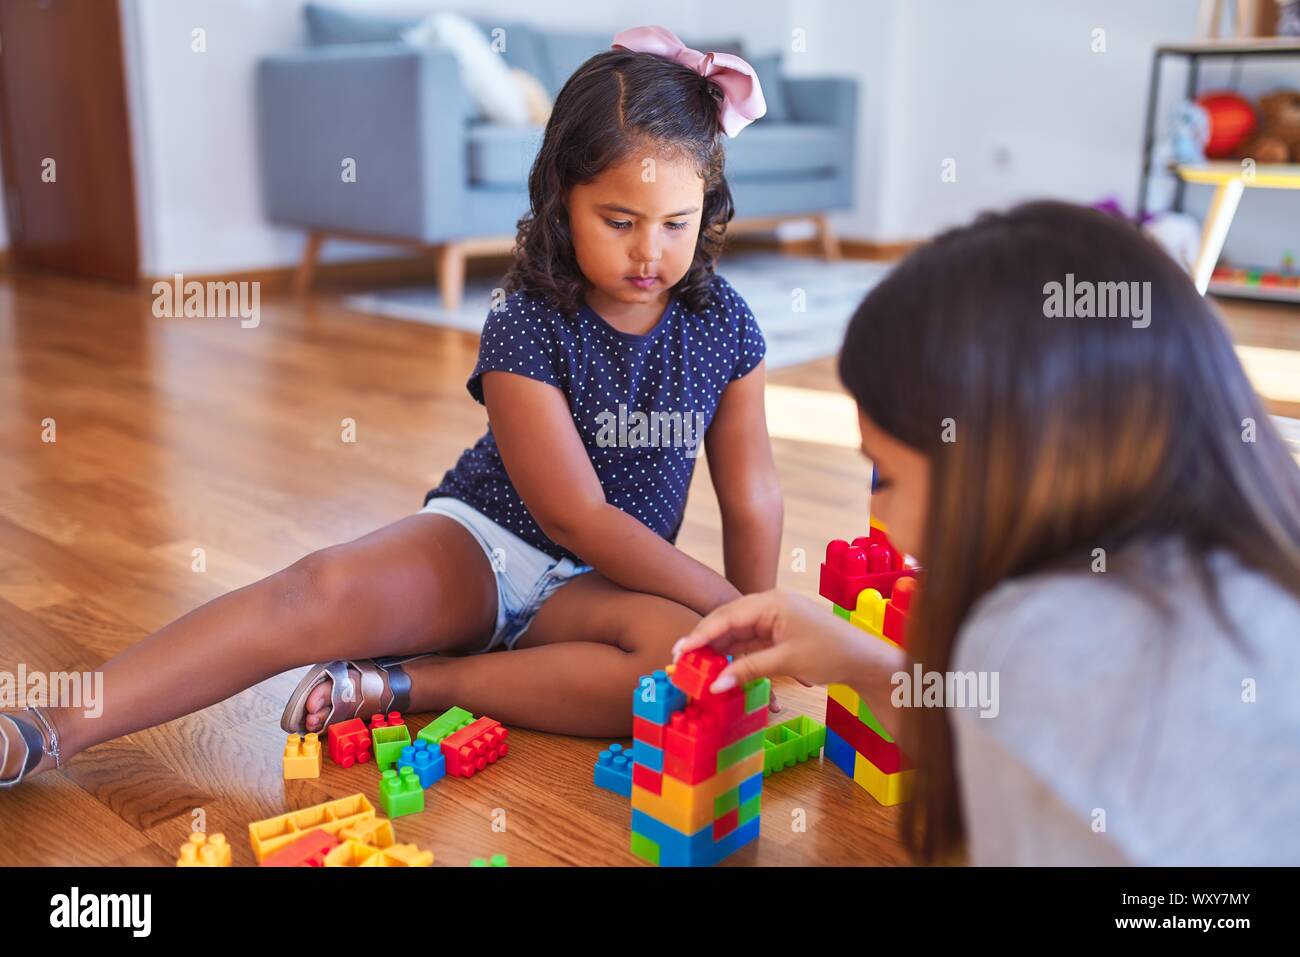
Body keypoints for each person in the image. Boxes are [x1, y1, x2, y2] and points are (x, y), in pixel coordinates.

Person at [1, 26, 782, 788]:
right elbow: (574, 513)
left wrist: (753, 635)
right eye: (620, 222)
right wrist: (729, 604)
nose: (650, 251)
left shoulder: (725, 327)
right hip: (489, 545)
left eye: (676, 223)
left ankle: (416, 684)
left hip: (604, 591)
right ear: (561, 198)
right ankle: (50, 727)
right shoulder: (525, 317)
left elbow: (752, 498)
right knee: (318, 590)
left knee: (678, 668)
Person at [675, 201, 1300, 865]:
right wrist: (863, 664)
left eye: (883, 473)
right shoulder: (1244, 580)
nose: (878, 514)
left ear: (999, 464)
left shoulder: (1037, 640)